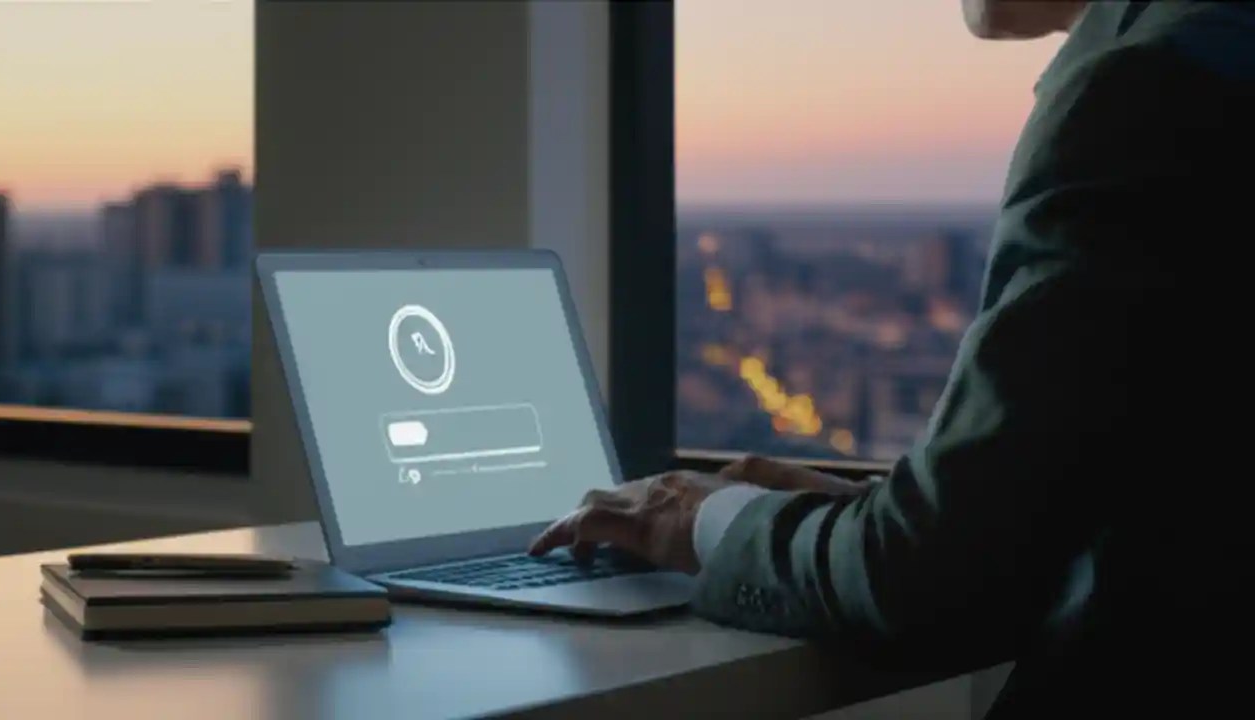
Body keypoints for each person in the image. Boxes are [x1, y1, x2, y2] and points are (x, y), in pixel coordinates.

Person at [531, 1, 1253, 717]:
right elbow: (1171, 508)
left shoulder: (1141, 90)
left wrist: (696, 519)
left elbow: (928, 587)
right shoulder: (1216, 50)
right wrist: (902, 516)